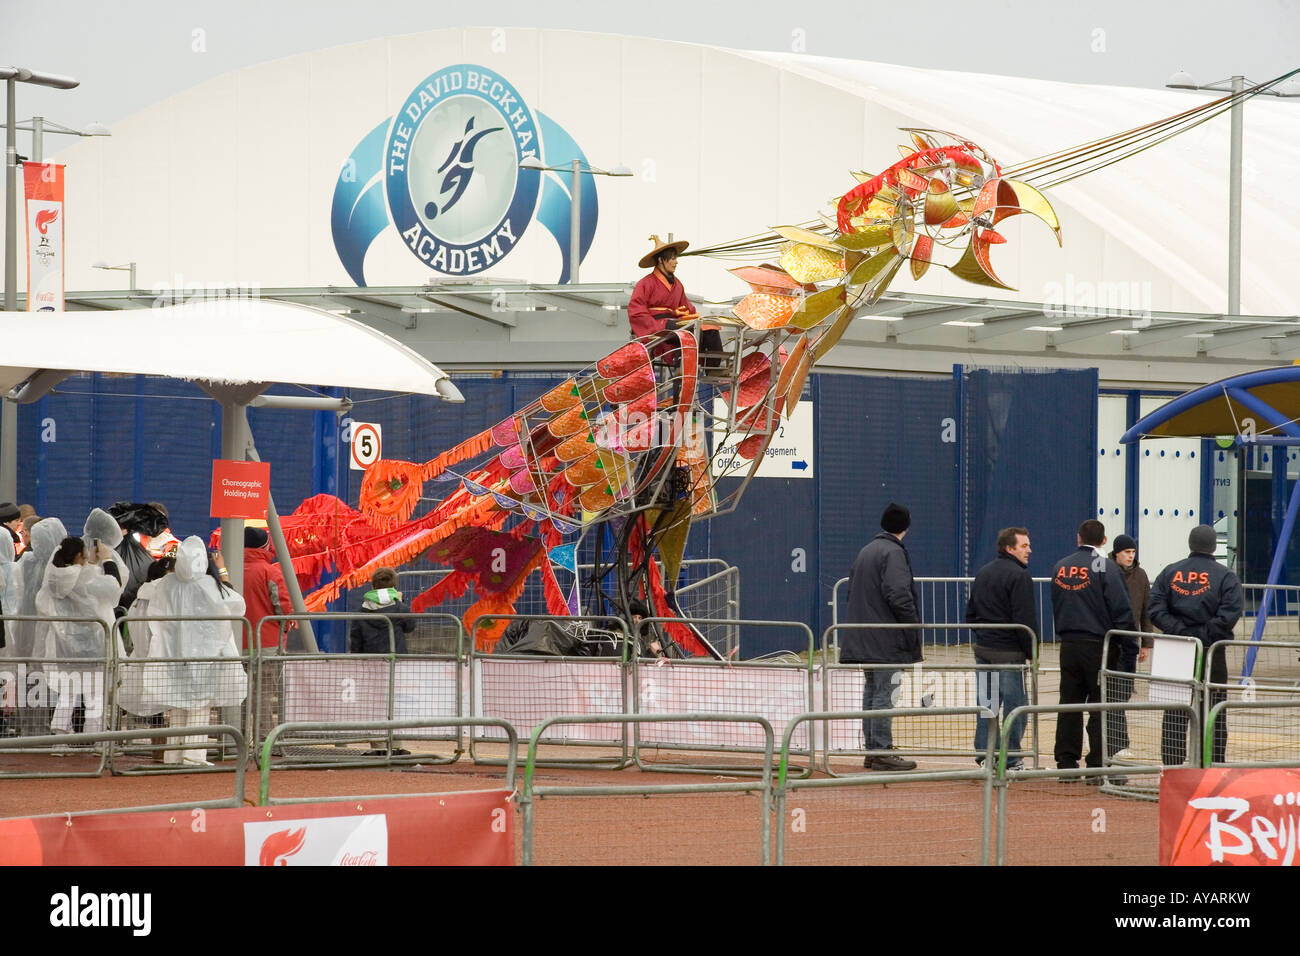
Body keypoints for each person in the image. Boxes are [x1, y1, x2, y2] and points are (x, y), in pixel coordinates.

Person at [145, 537, 248, 766]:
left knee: (178, 704)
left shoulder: (166, 584)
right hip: (206, 656)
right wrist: (222, 572)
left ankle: (173, 754)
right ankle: (193, 754)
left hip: (174, 655)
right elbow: (235, 605)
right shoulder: (210, 585)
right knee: (200, 705)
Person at [1148, 525, 1243, 766]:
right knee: (1214, 711)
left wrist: (1181, 631)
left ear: (1190, 544)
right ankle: (1211, 765)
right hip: (1212, 651)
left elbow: (1155, 608)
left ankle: (1173, 767)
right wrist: (1203, 634)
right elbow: (1230, 613)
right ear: (1213, 546)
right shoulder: (1225, 576)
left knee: (1175, 710)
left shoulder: (1170, 572)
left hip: (1177, 649)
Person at [1050, 519, 1135, 779]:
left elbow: (1057, 603)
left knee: (1069, 703)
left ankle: (1066, 762)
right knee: (1100, 705)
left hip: (1069, 643)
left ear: (1078, 538)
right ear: (1104, 541)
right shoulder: (1106, 568)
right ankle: (1097, 763)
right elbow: (1122, 610)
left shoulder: (1061, 567)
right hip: (1099, 645)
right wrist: (1129, 649)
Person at [842, 502, 921, 771]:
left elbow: (851, 592)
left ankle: (873, 750)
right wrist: (913, 628)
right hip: (886, 638)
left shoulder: (867, 551)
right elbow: (899, 594)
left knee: (873, 691)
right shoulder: (893, 553)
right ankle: (881, 749)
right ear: (906, 527)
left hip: (867, 636)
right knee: (885, 693)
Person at [36, 536, 123, 745]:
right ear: (78, 556)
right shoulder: (85, 577)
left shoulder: (54, 578)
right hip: (93, 646)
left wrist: (91, 563)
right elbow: (113, 589)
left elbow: (78, 581)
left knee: (67, 694)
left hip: (66, 647)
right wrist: (108, 560)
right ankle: (95, 741)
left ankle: (59, 741)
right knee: (95, 696)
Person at [965, 527, 1037, 770]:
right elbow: (1024, 619)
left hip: (984, 650)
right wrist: (1031, 652)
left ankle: (986, 755)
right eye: (1024, 546)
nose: (1029, 550)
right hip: (1009, 653)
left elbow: (970, 614)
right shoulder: (1019, 576)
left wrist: (984, 634)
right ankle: (1011, 757)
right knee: (1016, 707)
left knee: (987, 705)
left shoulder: (983, 573)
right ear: (1009, 548)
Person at [1106, 534, 1154, 759]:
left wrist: (1146, 642)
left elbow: (1146, 610)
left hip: (1130, 642)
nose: (1130, 556)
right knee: (1112, 694)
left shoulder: (1141, 575)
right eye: (1126, 552)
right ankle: (1117, 742)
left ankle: (1117, 740)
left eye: (1133, 552)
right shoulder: (1106, 572)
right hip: (1111, 641)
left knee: (1123, 693)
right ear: (1117, 553)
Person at [628, 235, 697, 364]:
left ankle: (710, 368)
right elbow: (636, 311)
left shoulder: (678, 285)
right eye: (672, 258)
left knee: (706, 330)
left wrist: (700, 320)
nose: (676, 262)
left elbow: (687, 308)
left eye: (675, 258)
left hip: (674, 323)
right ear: (660, 260)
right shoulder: (645, 283)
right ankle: (681, 364)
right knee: (687, 332)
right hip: (659, 324)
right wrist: (656, 326)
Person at [350, 567, 415, 655]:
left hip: (370, 662)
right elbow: (410, 627)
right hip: (397, 661)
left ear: (373, 587)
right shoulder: (400, 608)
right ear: (393, 587)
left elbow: (356, 643)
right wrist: (400, 602)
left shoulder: (361, 612)